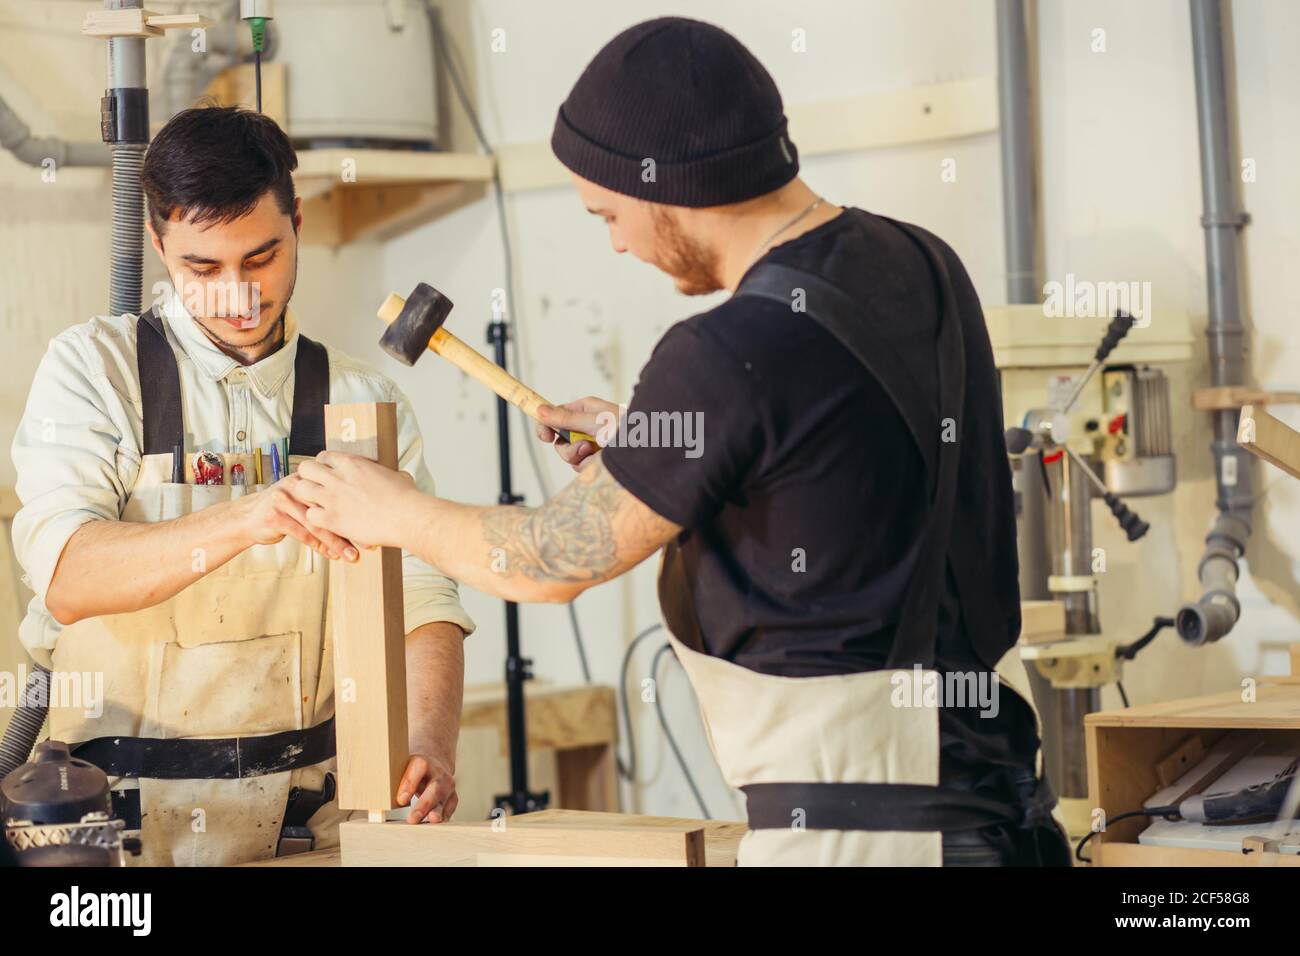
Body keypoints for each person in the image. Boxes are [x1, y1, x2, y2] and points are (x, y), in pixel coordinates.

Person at [286, 17, 1071, 866]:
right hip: (1003, 808)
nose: (618, 241)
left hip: (871, 840)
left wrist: (394, 509)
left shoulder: (723, 351)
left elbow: (552, 561)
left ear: (669, 186)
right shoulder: (923, 261)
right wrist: (650, 443)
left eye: (609, 213)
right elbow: (844, 460)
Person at [10, 106, 474, 866]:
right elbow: (68, 574)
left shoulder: (359, 400)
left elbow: (421, 596)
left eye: (261, 258)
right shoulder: (94, 373)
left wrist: (429, 741)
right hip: (113, 836)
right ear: (158, 245)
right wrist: (250, 516)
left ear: (297, 220)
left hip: (305, 829)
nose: (238, 294)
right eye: (203, 268)